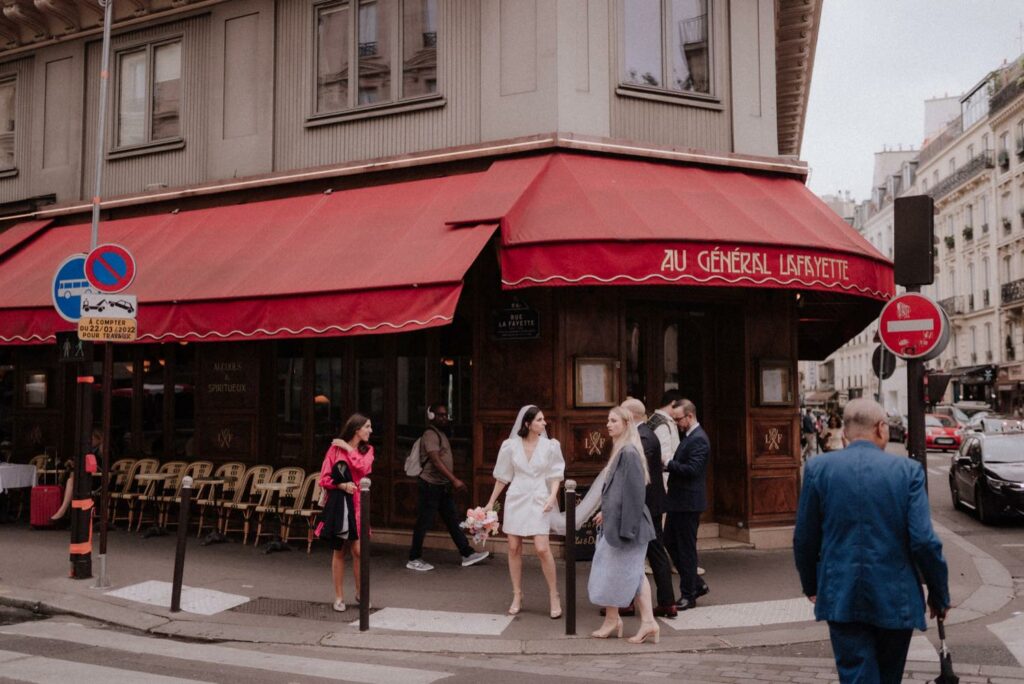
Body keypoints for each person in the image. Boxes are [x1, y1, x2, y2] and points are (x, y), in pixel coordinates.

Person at [793, 398, 950, 684]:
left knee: (856, 675)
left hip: (841, 592)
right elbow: (924, 542)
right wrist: (938, 594)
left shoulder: (818, 469)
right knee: (889, 675)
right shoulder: (908, 472)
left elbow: (804, 538)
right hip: (896, 596)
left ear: (845, 433)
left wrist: (812, 584)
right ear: (880, 428)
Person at [484, 405, 565, 618]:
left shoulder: (550, 446)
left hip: (539, 497)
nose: (544, 423)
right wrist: (491, 502)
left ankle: (553, 594)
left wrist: (551, 496)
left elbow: (556, 475)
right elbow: (503, 476)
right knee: (513, 547)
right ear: (527, 424)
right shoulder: (510, 446)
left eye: (544, 419)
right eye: (539, 420)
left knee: (541, 548)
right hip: (516, 497)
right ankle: (517, 594)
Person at [588, 406, 660, 644]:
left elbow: (635, 494)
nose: (608, 424)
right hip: (622, 524)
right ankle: (628, 620)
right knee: (631, 573)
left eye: (614, 421)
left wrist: (626, 530)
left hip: (629, 527)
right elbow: (617, 492)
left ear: (627, 424)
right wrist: (605, 512)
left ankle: (623, 620)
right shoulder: (622, 449)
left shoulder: (628, 452)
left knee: (626, 572)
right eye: (608, 420)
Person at [407, 403, 489, 572]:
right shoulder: (430, 434)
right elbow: (435, 460)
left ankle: (467, 553)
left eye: (445, 415)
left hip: (441, 486)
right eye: (440, 415)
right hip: (430, 485)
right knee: (424, 522)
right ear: (431, 416)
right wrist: (454, 480)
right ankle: (414, 558)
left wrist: (449, 481)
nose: (444, 418)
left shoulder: (441, 433)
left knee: (453, 520)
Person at [622, 398, 676, 618]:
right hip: (649, 504)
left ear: (632, 415)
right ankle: (666, 602)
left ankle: (630, 602)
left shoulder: (643, 437)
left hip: (645, 505)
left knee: (643, 552)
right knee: (654, 553)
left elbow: (636, 474)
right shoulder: (643, 434)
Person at [316, 413, 375, 612]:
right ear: (356, 429)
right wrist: (341, 485)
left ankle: (361, 593)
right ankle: (339, 596)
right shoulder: (334, 450)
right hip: (341, 504)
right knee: (339, 550)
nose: (370, 430)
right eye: (367, 427)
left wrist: (349, 448)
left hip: (359, 506)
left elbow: (364, 467)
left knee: (359, 551)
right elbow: (324, 478)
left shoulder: (367, 450)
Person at [664, 399, 709, 611]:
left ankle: (688, 595)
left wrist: (668, 464)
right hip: (678, 501)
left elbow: (692, 470)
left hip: (688, 503)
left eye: (678, 419)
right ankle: (696, 584)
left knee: (685, 549)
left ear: (689, 416)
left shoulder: (699, 439)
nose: (677, 423)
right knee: (670, 541)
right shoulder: (689, 436)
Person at [52, 429, 101, 521]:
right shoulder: (86, 450)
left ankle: (63, 511)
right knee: (71, 478)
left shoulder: (102, 451)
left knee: (71, 480)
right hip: (84, 478)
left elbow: (99, 466)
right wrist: (72, 463)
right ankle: (65, 512)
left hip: (96, 479)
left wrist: (80, 464)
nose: (90, 441)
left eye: (93, 439)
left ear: (99, 439)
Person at [648, 390, 684, 470]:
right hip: (666, 475)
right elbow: (664, 456)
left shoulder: (654, 418)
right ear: (673, 403)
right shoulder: (663, 424)